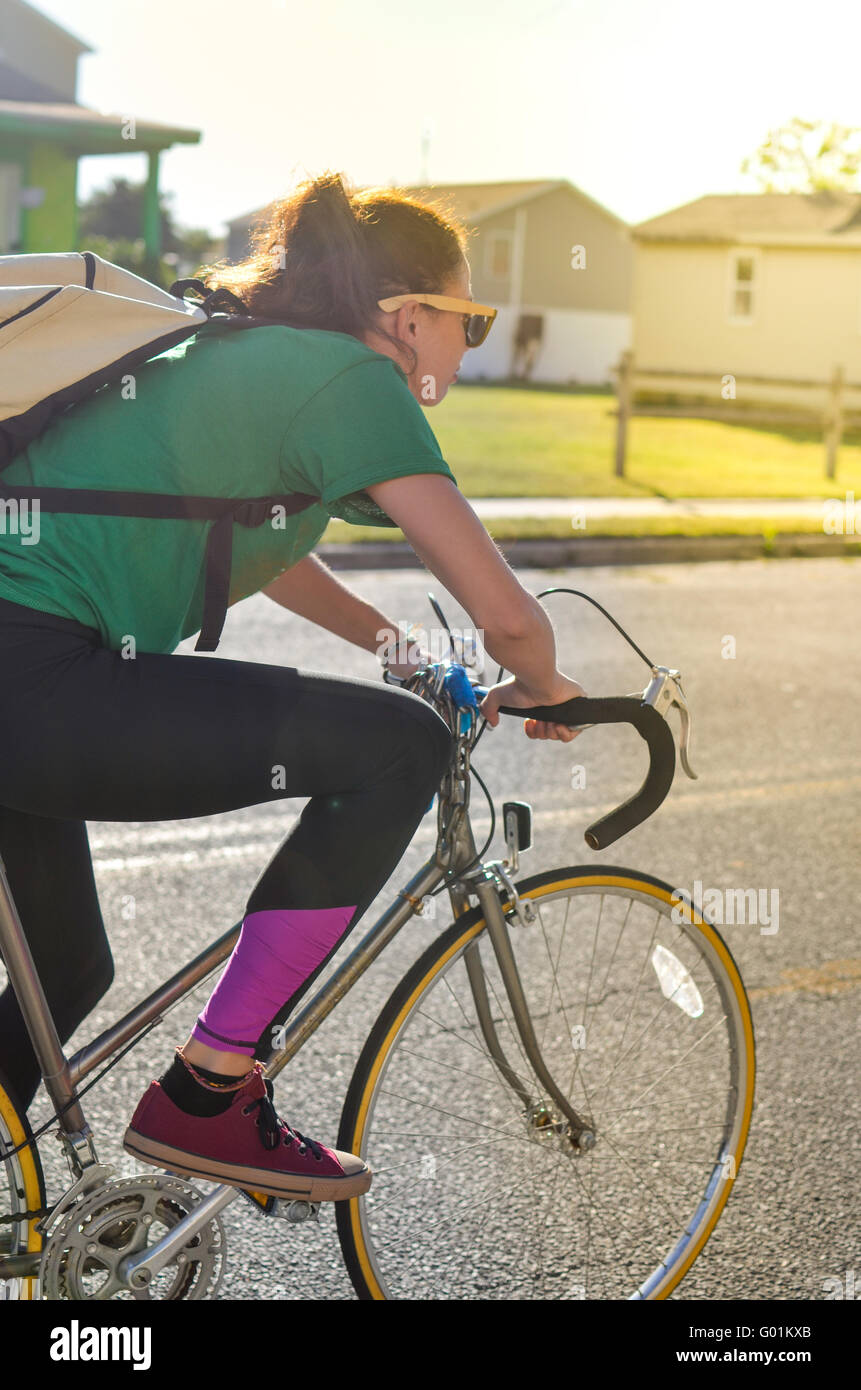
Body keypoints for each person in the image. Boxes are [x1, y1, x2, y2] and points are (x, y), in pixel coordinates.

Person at [0, 172, 584, 1202]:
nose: (469, 348)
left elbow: (260, 547)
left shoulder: (248, 350)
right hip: (33, 676)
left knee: (65, 966)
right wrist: (545, 686)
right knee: (400, 748)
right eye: (470, 321)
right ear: (410, 317)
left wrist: (405, 651)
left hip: (24, 675)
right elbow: (512, 617)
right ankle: (209, 1091)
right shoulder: (346, 380)